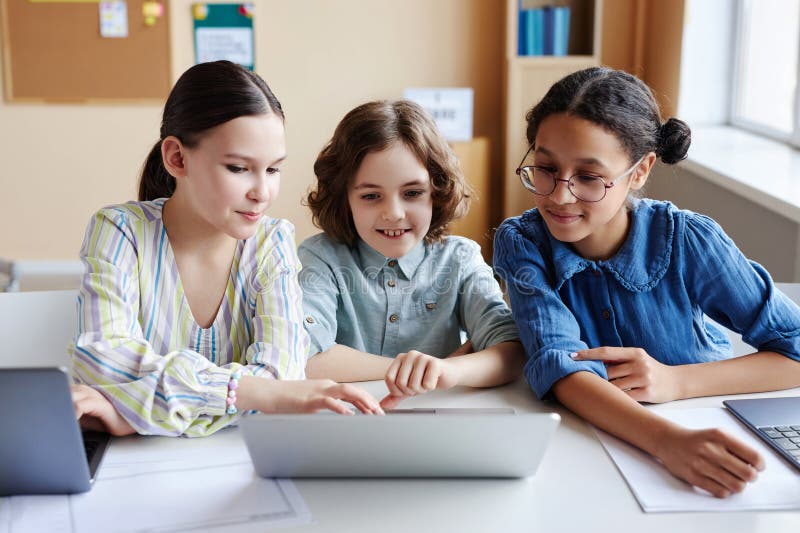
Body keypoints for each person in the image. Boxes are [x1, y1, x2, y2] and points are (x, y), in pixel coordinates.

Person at [493, 66, 800, 498]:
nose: (559, 195)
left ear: (640, 172)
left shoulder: (689, 239)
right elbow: (559, 364)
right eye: (545, 167)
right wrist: (666, 442)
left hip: (710, 436)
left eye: (589, 177)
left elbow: (796, 347)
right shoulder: (521, 242)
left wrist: (677, 382)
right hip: (596, 451)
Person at [70, 61, 383, 438]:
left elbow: (281, 378)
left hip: (241, 461)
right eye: (238, 168)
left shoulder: (273, 241)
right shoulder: (120, 232)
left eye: (273, 170)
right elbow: (104, 361)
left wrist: (134, 414)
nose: (262, 192)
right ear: (177, 158)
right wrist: (247, 393)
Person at [299, 99, 524, 409]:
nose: (393, 213)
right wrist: (414, 370)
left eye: (412, 193)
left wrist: (449, 370)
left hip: (441, 421)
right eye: (371, 195)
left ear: (437, 191)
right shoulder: (320, 257)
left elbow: (512, 351)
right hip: (348, 425)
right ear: (344, 197)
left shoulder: (459, 259)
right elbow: (302, 355)